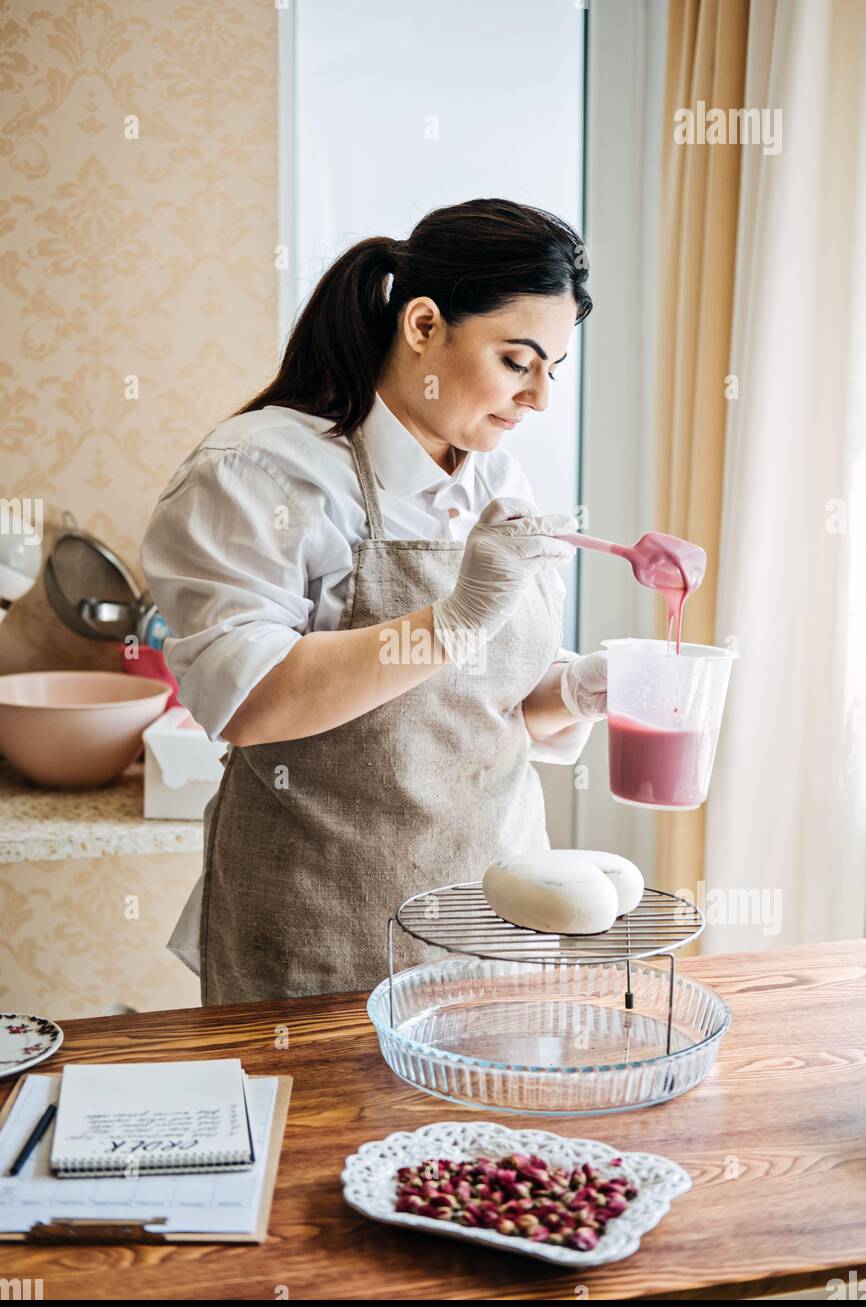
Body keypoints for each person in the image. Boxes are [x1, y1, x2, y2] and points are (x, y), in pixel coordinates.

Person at [140, 196, 608, 1005]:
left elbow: (466, 712)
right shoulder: (262, 472)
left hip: (490, 926)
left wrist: (571, 691)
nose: (537, 400)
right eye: (516, 361)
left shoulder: (496, 475)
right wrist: (453, 620)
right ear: (423, 326)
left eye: (552, 372)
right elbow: (249, 701)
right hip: (319, 932)